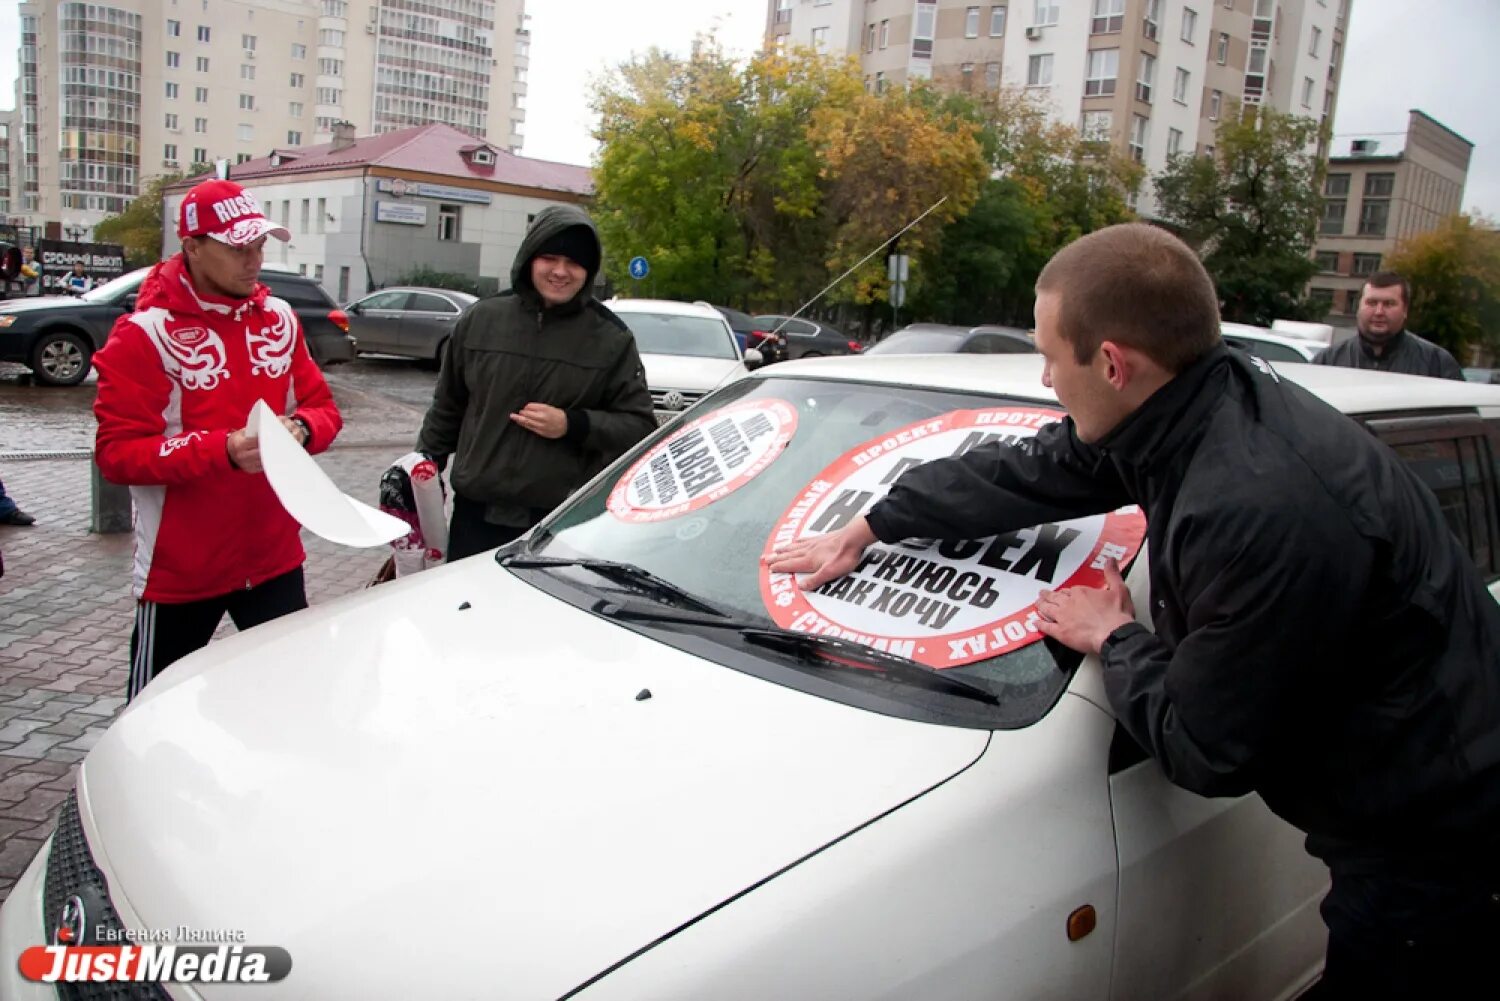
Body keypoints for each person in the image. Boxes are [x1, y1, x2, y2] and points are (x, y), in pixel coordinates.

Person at [768, 223, 1500, 999]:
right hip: (1411, 794)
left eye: (1051, 357)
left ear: (1113, 363)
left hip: (1441, 838)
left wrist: (1115, 637)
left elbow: (1209, 747)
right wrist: (877, 520)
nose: (1048, 378)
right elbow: (1036, 468)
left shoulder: (1256, 503)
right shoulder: (1188, 403)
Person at [93, 177, 343, 700]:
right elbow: (117, 456)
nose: (253, 260)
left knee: (294, 699)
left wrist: (301, 430)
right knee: (151, 716)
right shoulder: (144, 334)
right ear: (192, 247)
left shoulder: (280, 319)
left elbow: (322, 409)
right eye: (237, 248)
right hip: (182, 572)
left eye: (259, 245)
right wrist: (222, 450)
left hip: (275, 558)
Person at [416, 205, 655, 561]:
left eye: (574, 263)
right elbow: (448, 406)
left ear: (588, 271)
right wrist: (423, 471)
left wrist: (572, 424)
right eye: (550, 258)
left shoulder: (611, 339)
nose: (560, 271)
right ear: (530, 258)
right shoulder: (482, 319)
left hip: (559, 521)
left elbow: (639, 427)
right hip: (475, 516)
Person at [1313, 271, 1463, 379]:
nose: (1379, 312)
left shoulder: (1436, 363)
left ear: (1405, 310)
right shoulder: (1328, 361)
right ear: (1358, 307)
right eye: (1371, 303)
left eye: (1389, 304)